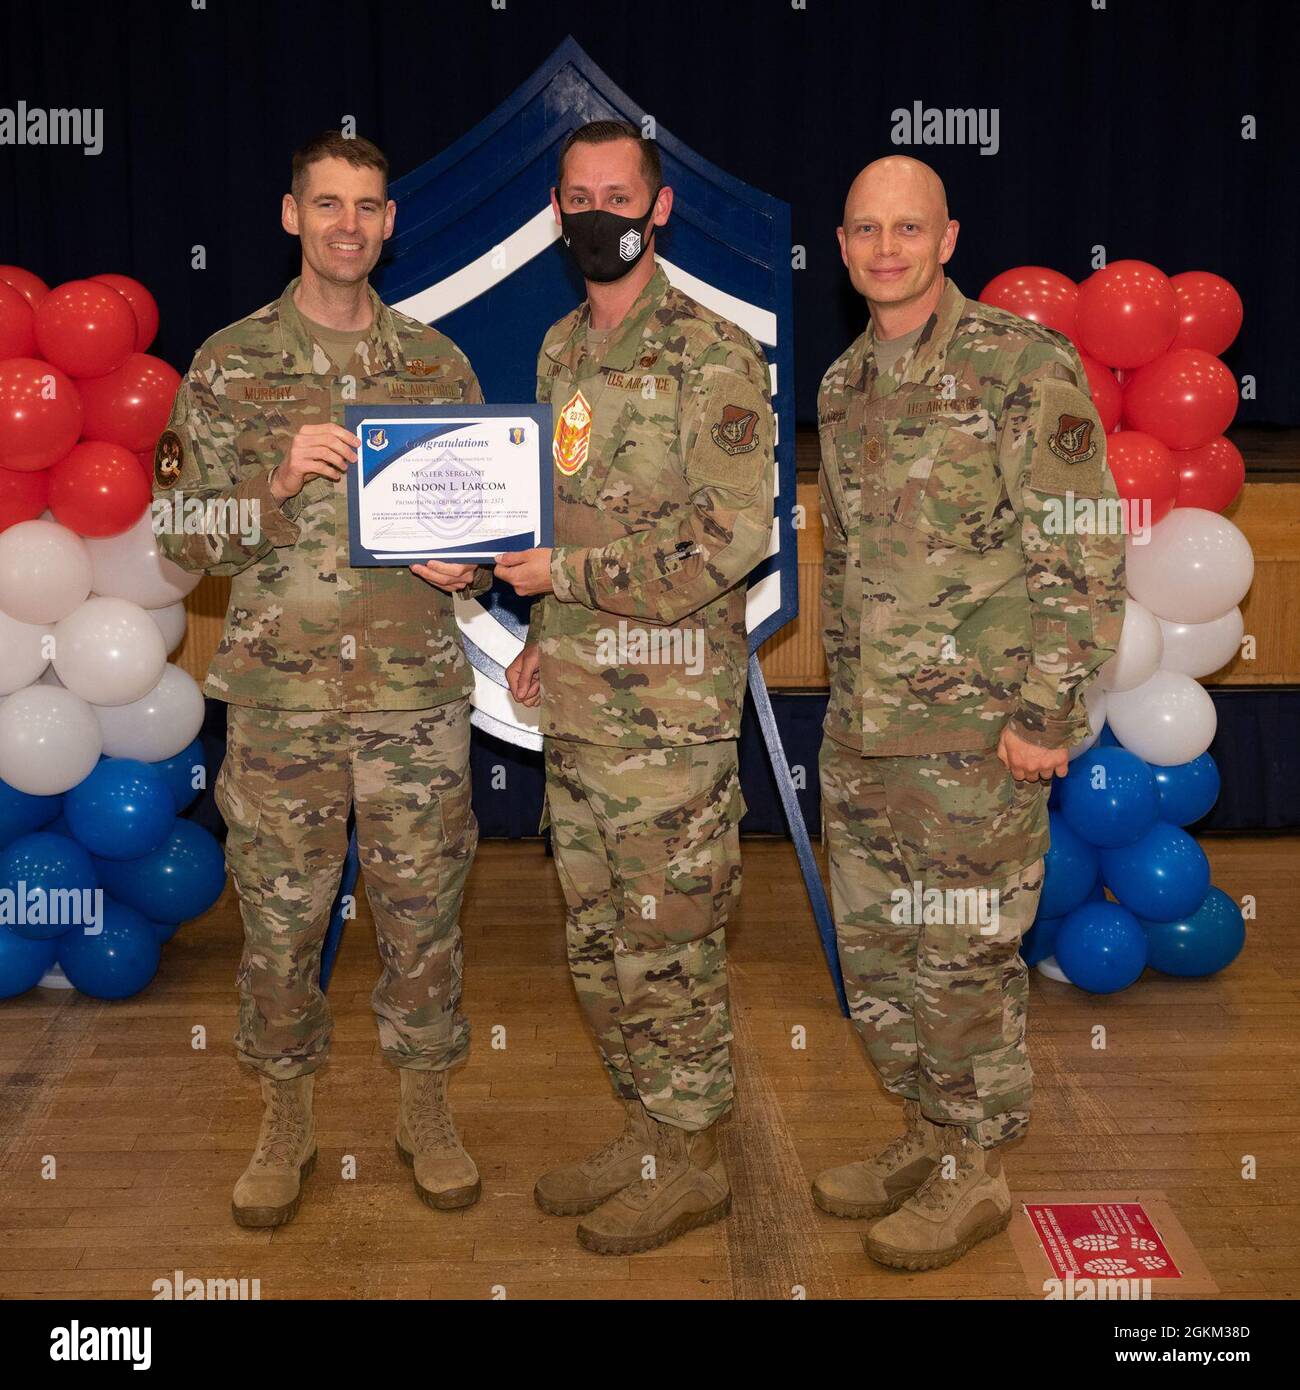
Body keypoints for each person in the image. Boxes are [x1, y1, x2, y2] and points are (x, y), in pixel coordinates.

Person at [154, 131, 489, 1227]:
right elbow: (183, 540)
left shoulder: (439, 367)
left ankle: (426, 1108)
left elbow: (485, 527)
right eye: (328, 203)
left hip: (413, 704)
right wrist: (275, 476)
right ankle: (285, 1114)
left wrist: (473, 562)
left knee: (423, 918)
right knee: (283, 925)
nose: (349, 223)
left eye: (369, 205)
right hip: (281, 707)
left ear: (391, 222)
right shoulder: (227, 362)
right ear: (292, 215)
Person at [811, 156, 1125, 1269]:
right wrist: (843, 712)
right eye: (863, 229)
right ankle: (926, 1132)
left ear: (948, 238)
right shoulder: (844, 384)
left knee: (959, 965)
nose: (884, 248)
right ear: (842, 245)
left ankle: (974, 1171)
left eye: (907, 228)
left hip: (977, 742)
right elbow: (844, 563)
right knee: (884, 960)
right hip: (868, 736)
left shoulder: (1016, 362)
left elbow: (1079, 550)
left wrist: (1045, 712)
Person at [496, 120, 775, 1254]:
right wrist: (542, 626)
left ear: (658, 210)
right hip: (579, 701)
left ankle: (697, 1158)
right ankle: (648, 1127)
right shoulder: (562, 347)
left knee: (667, 941)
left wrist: (569, 575)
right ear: (557, 211)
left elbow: (729, 541)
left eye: (619, 193)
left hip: (668, 720)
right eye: (578, 195)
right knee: (599, 939)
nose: (598, 212)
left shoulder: (712, 353)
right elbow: (560, 513)